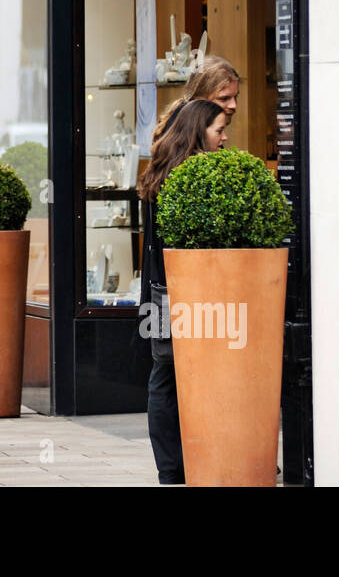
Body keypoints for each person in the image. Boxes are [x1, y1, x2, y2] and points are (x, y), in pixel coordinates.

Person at [137, 99, 230, 485]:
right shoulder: (195, 179)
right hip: (191, 291)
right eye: (219, 130)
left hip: (159, 292)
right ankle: (198, 458)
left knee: (164, 375)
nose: (224, 138)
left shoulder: (158, 173)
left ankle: (171, 468)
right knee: (193, 375)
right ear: (198, 131)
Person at [151, 55, 240, 143]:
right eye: (224, 99)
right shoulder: (182, 138)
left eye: (235, 97)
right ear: (199, 98)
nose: (234, 105)